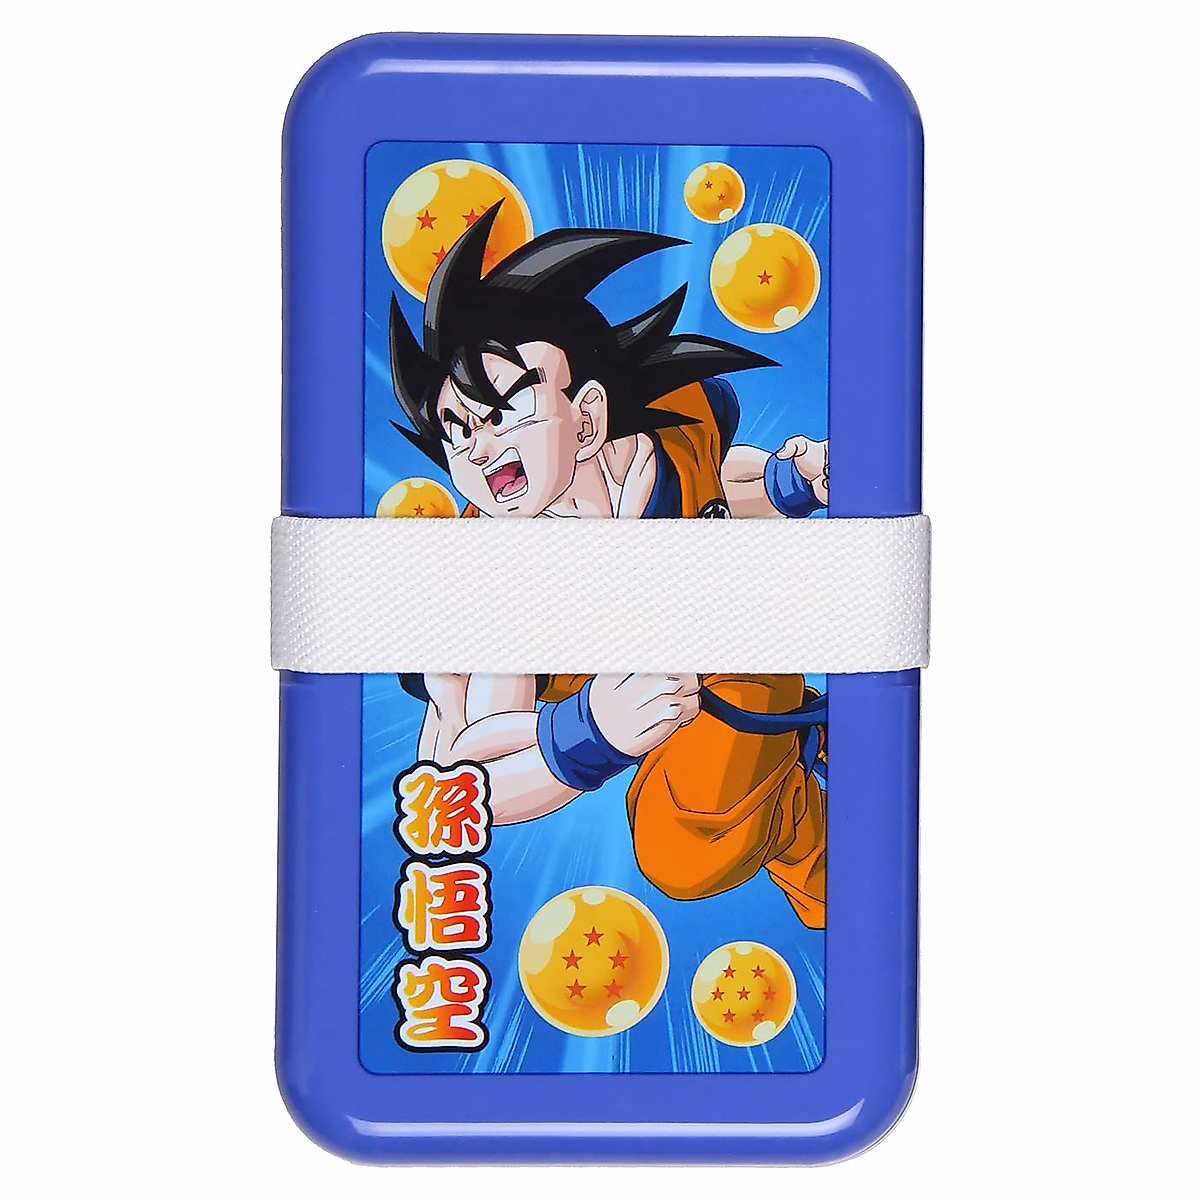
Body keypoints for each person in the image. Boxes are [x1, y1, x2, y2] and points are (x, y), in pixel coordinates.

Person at [389, 202, 828, 928]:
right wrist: (593, 732)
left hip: (731, 663)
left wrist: (793, 483)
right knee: (688, 854)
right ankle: (806, 815)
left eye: (501, 413)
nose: (477, 447)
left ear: (588, 416)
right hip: (623, 693)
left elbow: (715, 486)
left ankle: (800, 789)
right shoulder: (492, 581)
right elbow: (469, 774)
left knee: (684, 840)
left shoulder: (674, 426)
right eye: (456, 433)